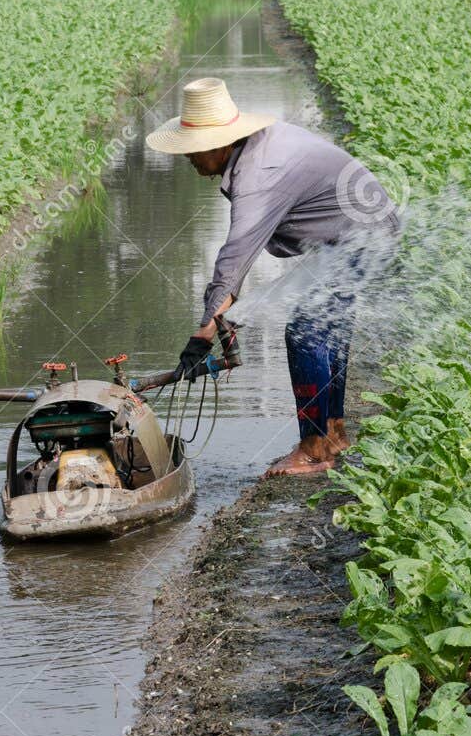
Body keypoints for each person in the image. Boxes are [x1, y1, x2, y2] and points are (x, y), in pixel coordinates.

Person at [145, 76, 401, 476]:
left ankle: (315, 451)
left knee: (306, 331)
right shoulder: (259, 145)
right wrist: (225, 318)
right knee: (326, 327)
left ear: (219, 143)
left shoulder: (259, 174)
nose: (189, 158)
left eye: (193, 150)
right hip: (360, 234)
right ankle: (333, 436)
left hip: (359, 239)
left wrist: (203, 334)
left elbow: (235, 255)